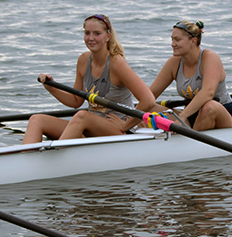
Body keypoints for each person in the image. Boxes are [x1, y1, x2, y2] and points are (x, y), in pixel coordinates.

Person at [25, 15, 160, 143]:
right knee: (37, 119)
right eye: (87, 33)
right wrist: (51, 88)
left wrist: (126, 125)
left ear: (108, 36)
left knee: (82, 116)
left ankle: (56, 159)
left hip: (119, 131)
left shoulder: (117, 63)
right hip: (91, 127)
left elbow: (148, 100)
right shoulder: (83, 60)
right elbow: (76, 100)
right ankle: (26, 158)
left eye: (97, 33)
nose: (91, 38)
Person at [148, 20, 232, 131]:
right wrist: (132, 117)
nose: (173, 44)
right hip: (191, 114)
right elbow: (149, 96)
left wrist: (181, 117)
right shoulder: (174, 62)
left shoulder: (209, 57)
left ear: (193, 41)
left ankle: (190, 141)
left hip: (221, 114)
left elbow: (208, 93)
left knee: (210, 106)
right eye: (172, 39)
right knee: (150, 107)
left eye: (177, 40)